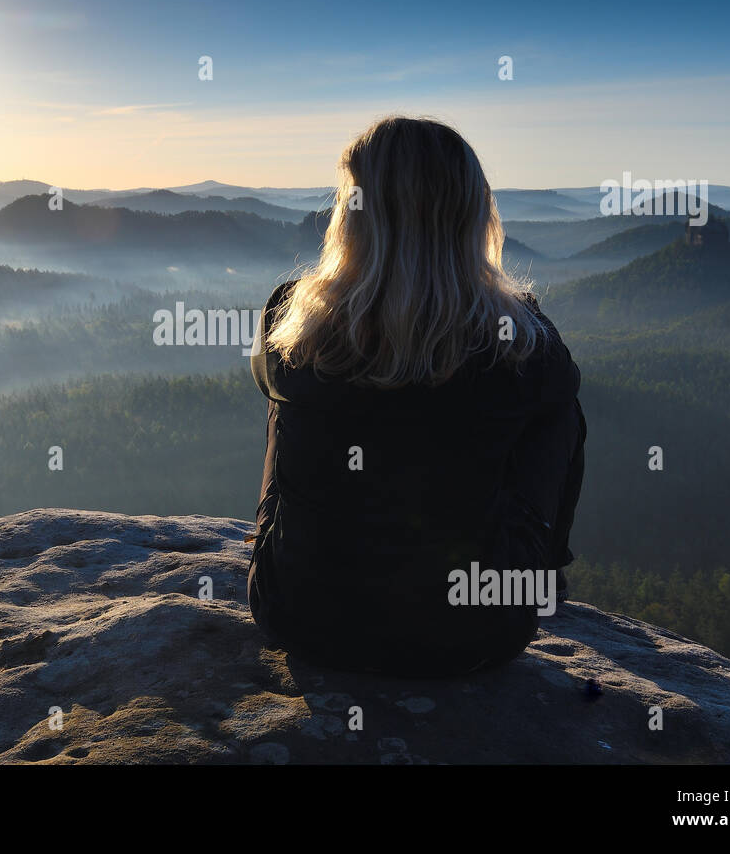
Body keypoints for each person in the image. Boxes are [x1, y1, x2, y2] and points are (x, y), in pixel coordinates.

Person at [247, 116, 586, 677]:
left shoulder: (293, 315)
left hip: (301, 617)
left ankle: (296, 549)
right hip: (475, 633)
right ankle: (539, 576)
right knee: (559, 412)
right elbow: (558, 393)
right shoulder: (522, 343)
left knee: (288, 387)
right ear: (472, 214)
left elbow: (269, 378)